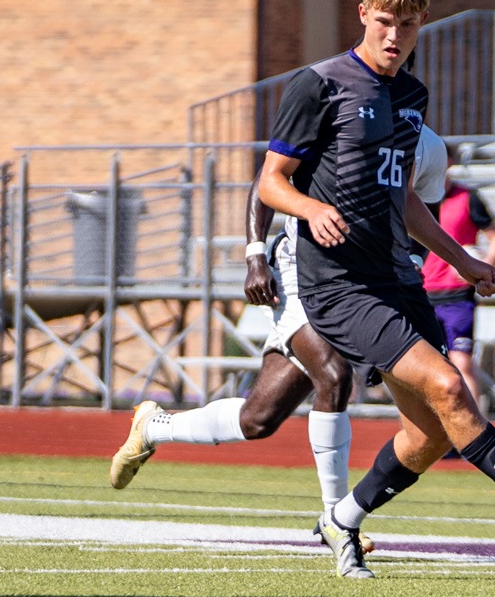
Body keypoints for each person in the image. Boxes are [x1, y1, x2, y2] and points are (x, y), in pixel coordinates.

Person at [257, 0, 495, 578]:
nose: (395, 35)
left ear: (422, 24)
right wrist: (310, 210)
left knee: (430, 434)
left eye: (409, 23)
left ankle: (341, 521)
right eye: (385, 19)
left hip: (399, 277)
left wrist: (464, 260)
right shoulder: (320, 83)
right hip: (340, 285)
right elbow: (270, 183)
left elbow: (405, 198)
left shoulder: (412, 95)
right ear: (363, 13)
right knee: (449, 387)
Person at [109, 127, 449, 540]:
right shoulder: (340, 119)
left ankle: (155, 427)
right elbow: (268, 179)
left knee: (259, 419)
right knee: (334, 375)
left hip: (360, 283)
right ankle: (337, 522)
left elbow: (422, 220)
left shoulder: (430, 147)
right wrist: (255, 256)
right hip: (300, 270)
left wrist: (410, 264)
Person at [421, 177, 495, 409]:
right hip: (421, 293)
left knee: (461, 362)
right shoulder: (414, 198)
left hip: (456, 296)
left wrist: (481, 269)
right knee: (426, 365)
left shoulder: (467, 198)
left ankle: (474, 431)